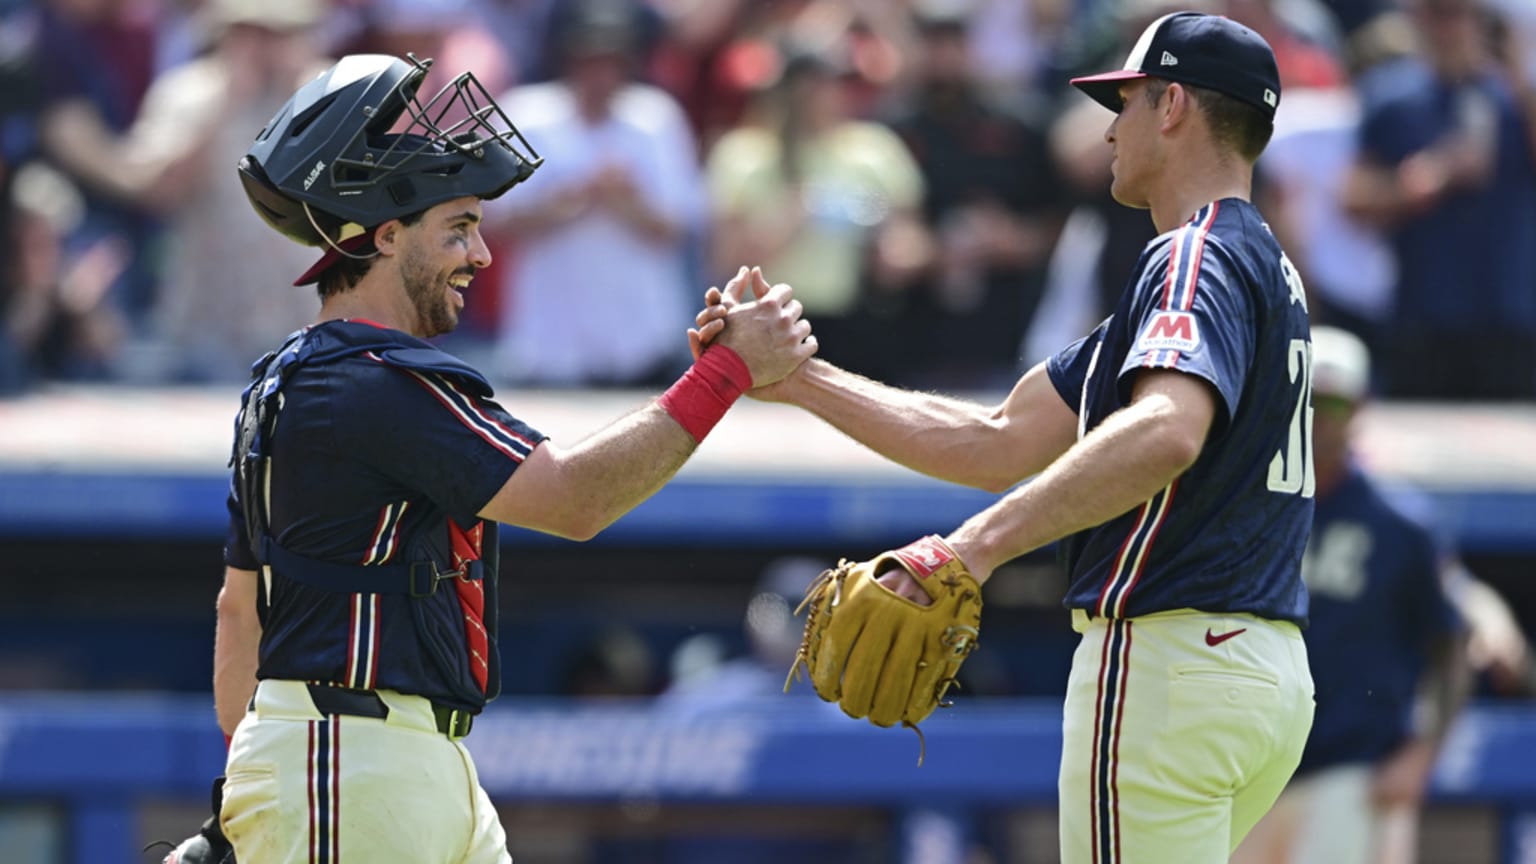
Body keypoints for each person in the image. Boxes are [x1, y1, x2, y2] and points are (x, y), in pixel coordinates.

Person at [696, 12, 1315, 863]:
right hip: (1262, 670)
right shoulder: (1257, 262)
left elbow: (1168, 429)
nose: (1110, 129)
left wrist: (971, 550)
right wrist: (800, 380)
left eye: (1125, 103)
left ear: (1172, 105)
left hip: (1169, 660)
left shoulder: (1193, 255)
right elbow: (1000, 438)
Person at [212, 53, 815, 863]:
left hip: (391, 759)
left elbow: (238, 611)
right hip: (350, 759)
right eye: (457, 227)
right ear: (386, 236)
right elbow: (574, 499)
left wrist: (245, 777)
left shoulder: (293, 378)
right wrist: (725, 373)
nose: (481, 255)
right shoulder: (370, 380)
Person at [1230, 326, 1471, 864]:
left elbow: (1452, 645)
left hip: (1351, 773)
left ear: (1361, 407)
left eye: (1334, 402)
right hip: (1247, 770)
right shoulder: (1245, 507)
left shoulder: (1401, 525)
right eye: (1307, 398)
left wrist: (1421, 756)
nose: (1318, 416)